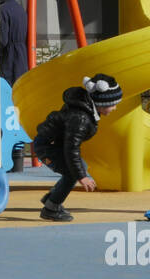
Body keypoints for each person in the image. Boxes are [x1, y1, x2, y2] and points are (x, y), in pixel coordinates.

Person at [31, 74, 123, 222]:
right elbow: (71, 148)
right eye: (113, 104)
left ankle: (52, 198)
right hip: (48, 147)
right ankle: (51, 208)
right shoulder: (80, 118)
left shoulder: (85, 108)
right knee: (72, 174)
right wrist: (82, 177)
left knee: (79, 167)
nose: (115, 108)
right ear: (101, 102)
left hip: (55, 144)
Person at [0, 0, 29, 85]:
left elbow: (2, 40)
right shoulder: (19, 8)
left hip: (9, 54)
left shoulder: (2, 10)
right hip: (22, 51)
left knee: (7, 84)